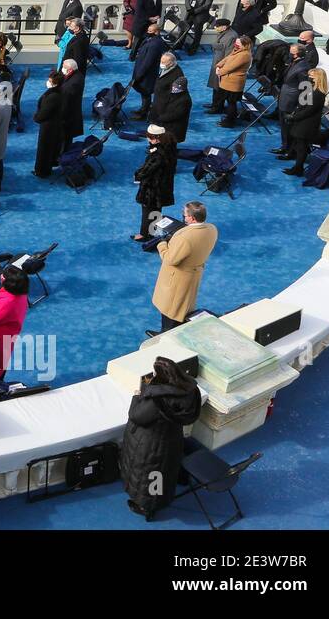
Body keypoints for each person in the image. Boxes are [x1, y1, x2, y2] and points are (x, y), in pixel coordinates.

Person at [120, 356, 202, 519]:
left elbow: (137, 416)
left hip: (151, 444)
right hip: (171, 439)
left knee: (149, 474)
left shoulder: (158, 399)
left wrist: (137, 396)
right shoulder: (191, 390)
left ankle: (148, 508)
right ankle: (157, 499)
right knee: (162, 471)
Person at [151, 201, 218, 331]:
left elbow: (170, 259)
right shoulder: (212, 229)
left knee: (170, 309)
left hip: (176, 278)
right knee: (183, 307)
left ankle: (165, 334)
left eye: (185, 215)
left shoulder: (185, 237)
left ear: (192, 218)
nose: (183, 217)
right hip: (194, 273)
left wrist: (162, 243)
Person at [133, 125, 177, 242]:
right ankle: (152, 234)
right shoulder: (170, 148)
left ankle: (144, 235)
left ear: (157, 138)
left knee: (147, 211)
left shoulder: (158, 155)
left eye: (149, 137)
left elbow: (144, 172)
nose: (148, 139)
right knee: (156, 211)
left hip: (153, 188)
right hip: (163, 187)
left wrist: (137, 174)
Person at [283, 68, 329, 176]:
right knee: (300, 146)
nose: (309, 78)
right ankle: (297, 167)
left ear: (319, 78)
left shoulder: (319, 94)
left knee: (302, 147)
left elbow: (308, 111)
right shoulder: (310, 89)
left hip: (307, 125)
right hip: (302, 122)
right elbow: (302, 105)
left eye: (312, 76)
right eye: (309, 76)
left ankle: (298, 169)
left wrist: (293, 117)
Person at [213, 35, 253, 128]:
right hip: (228, 81)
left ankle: (230, 122)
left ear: (245, 45)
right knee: (229, 101)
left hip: (234, 83)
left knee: (231, 103)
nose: (235, 44)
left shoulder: (244, 55)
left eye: (238, 43)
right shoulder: (237, 50)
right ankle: (229, 118)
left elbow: (231, 67)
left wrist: (220, 72)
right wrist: (219, 65)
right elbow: (227, 58)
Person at [31, 71, 64, 178]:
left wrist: (37, 117)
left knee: (44, 149)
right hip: (50, 125)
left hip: (49, 126)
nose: (48, 82)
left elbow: (45, 112)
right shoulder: (55, 93)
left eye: (50, 81)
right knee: (47, 148)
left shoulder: (54, 96)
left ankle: (42, 171)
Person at [130, 23, 164, 119]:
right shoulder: (151, 40)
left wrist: (139, 75)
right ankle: (143, 109)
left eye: (150, 31)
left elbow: (148, 62)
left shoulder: (155, 44)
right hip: (144, 71)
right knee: (144, 93)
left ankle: (144, 113)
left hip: (147, 74)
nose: (148, 33)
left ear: (156, 32)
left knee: (146, 93)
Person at [203, 19, 237, 113]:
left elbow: (229, 54)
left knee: (220, 87)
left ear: (224, 27)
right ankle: (215, 104)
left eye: (217, 26)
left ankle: (218, 107)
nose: (215, 27)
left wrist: (223, 67)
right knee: (216, 86)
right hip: (218, 62)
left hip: (222, 64)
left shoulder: (232, 36)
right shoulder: (225, 33)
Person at [59, 58, 85, 150]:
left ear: (70, 70)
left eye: (63, 67)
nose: (62, 68)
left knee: (64, 139)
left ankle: (62, 156)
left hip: (68, 116)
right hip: (71, 114)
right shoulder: (77, 75)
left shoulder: (71, 85)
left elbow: (66, 102)